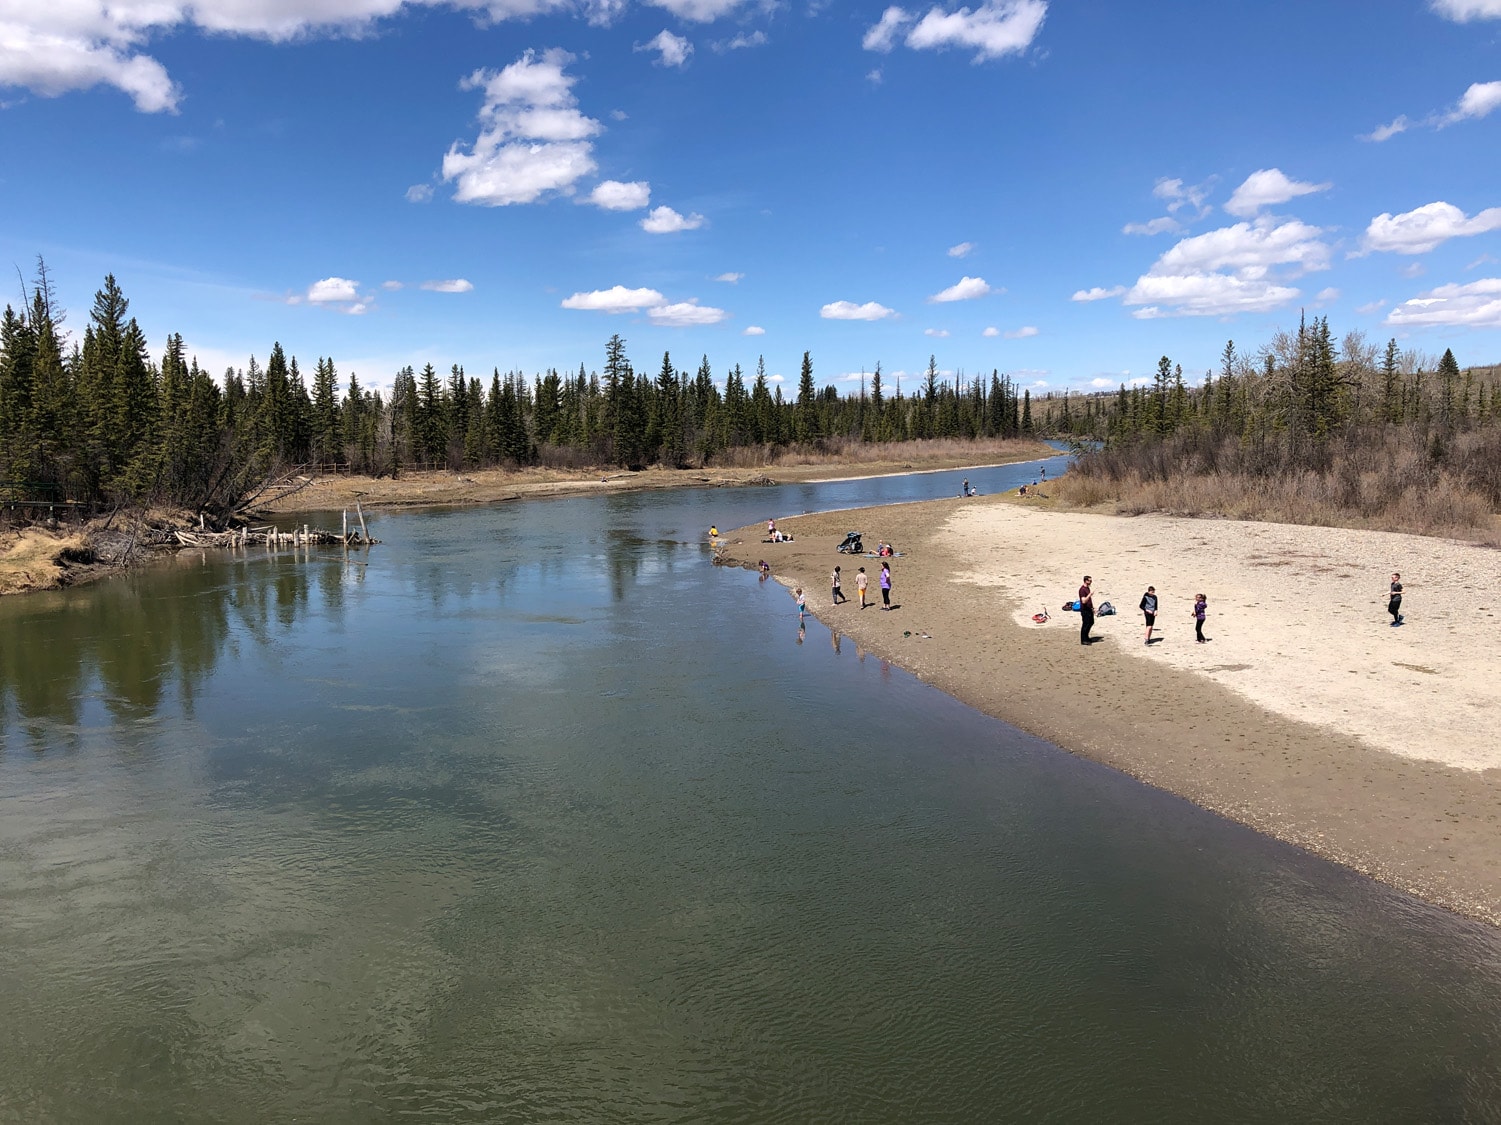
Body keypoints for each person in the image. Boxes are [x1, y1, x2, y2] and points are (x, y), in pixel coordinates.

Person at [1079, 575, 1095, 645]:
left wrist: (1093, 608)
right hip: (1085, 610)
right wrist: (1089, 595)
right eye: (1090, 581)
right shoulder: (1082, 590)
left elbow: (1089, 601)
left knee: (1091, 622)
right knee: (1085, 624)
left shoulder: (1087, 588)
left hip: (1089, 609)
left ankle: (1086, 637)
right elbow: (1083, 601)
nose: (1091, 582)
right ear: (1086, 581)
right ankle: (1083, 639)